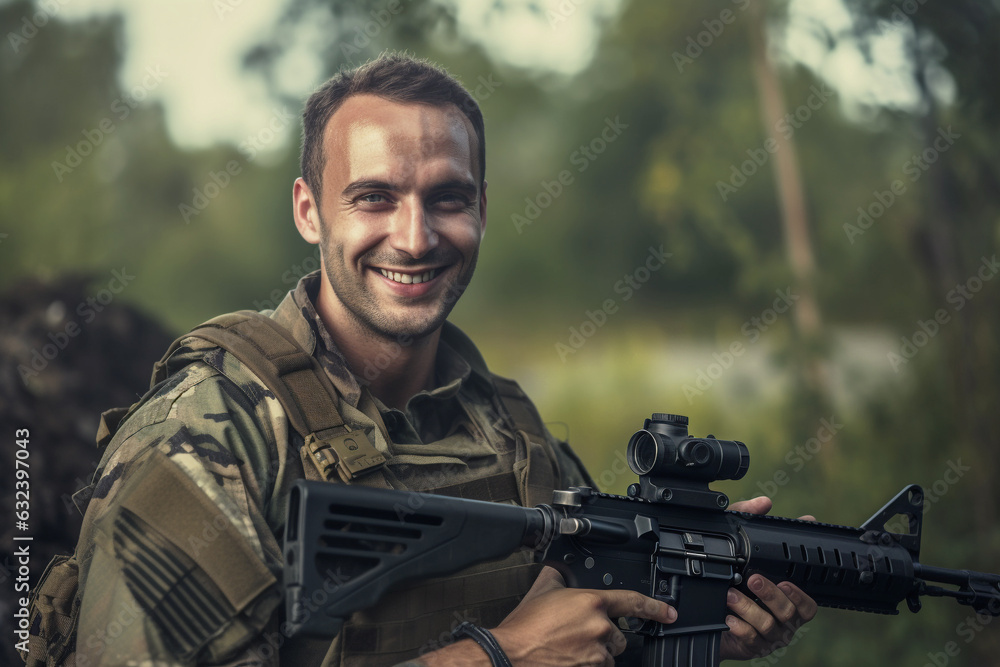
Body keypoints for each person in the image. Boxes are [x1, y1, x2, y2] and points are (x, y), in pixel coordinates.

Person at [44, 53, 816, 667]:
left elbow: (582, 635)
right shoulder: (207, 437)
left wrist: (689, 615)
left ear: (481, 210)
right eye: (375, 197)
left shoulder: (508, 425)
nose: (415, 238)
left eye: (447, 198)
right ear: (310, 210)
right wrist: (499, 656)